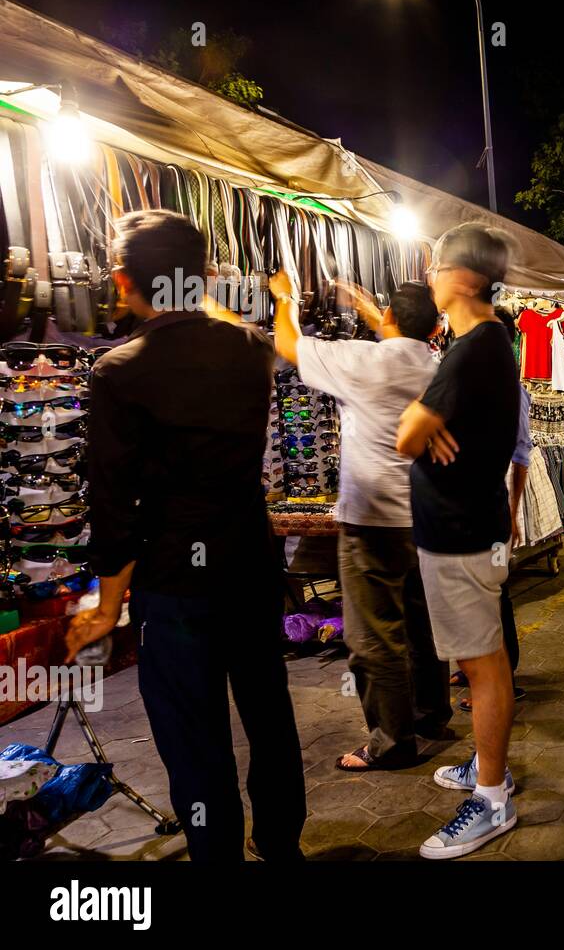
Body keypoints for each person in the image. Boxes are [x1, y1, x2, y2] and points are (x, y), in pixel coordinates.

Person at [65, 210, 305, 861]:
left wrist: (108, 607)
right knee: (268, 715)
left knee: (196, 744)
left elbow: (114, 508)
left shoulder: (119, 370)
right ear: (204, 274)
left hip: (173, 589)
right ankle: (282, 847)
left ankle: (218, 854)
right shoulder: (250, 349)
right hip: (251, 570)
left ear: (121, 280)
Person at [271, 275, 453, 771]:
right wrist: (377, 313)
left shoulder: (363, 360)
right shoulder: (435, 364)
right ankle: (431, 714)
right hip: (423, 518)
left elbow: (288, 342)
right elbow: (404, 339)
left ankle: (392, 743)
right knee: (421, 625)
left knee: (374, 637)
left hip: (373, 522)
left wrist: (285, 295)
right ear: (436, 327)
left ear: (392, 320)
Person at [395, 222, 520, 859]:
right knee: (486, 658)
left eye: (436, 262)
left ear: (464, 277)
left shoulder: (475, 347)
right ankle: (486, 762)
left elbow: (406, 435)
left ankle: (493, 798)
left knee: (478, 665)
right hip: (473, 527)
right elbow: (423, 425)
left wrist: (423, 424)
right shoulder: (484, 344)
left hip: (463, 534)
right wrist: (428, 422)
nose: (429, 272)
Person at [454, 309, 532, 713]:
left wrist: (514, 514)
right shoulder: (470, 385)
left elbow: (521, 458)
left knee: (493, 595)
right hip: (469, 508)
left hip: (492, 507)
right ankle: (476, 668)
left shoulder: (513, 393)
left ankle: (505, 676)